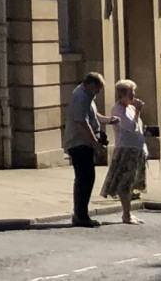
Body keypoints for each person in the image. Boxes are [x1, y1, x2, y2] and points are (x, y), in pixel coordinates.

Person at [101, 79, 148, 225]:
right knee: (125, 183)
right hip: (125, 150)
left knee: (132, 183)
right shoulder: (118, 109)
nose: (133, 97)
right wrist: (138, 111)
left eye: (133, 93)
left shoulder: (130, 108)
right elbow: (130, 126)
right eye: (130, 94)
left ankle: (128, 213)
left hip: (137, 149)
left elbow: (138, 127)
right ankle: (126, 214)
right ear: (122, 95)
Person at [63, 72, 107, 227]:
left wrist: (108, 120)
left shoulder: (87, 95)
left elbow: (93, 116)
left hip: (84, 142)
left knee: (86, 178)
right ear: (91, 85)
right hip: (79, 143)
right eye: (98, 89)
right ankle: (80, 215)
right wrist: (96, 144)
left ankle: (81, 213)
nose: (99, 93)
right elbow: (82, 123)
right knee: (85, 178)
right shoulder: (81, 97)